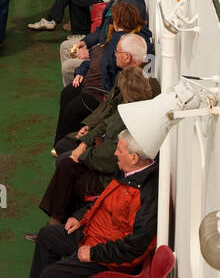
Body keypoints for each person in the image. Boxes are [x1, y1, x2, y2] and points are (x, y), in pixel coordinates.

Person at [15, 130, 159, 278]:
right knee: (47, 235)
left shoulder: (146, 194)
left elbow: (135, 245)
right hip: (94, 232)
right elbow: (104, 200)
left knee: (51, 276)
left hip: (109, 253)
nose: (115, 153)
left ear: (133, 158)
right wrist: (79, 217)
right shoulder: (130, 174)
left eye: (119, 150)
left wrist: (93, 252)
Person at [32, 68, 161, 229]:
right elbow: (106, 124)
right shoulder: (128, 107)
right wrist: (85, 142)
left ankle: (57, 225)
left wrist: (82, 155)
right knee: (66, 164)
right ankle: (56, 223)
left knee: (68, 170)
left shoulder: (133, 120)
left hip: (110, 176)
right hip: (101, 159)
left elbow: (109, 157)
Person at [53, 31, 151, 142]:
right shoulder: (125, 75)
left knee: (71, 113)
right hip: (102, 121)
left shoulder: (132, 85)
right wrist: (90, 127)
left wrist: (90, 135)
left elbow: (113, 117)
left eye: (117, 52)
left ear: (127, 57)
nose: (114, 54)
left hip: (109, 136)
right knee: (68, 93)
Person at [58, 0, 147, 84]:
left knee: (67, 67)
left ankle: (78, 90)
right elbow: (102, 29)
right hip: (102, 46)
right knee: (66, 47)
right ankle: (76, 86)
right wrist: (86, 42)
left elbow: (114, 48)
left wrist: (89, 53)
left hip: (107, 54)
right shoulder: (116, 1)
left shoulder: (125, 11)